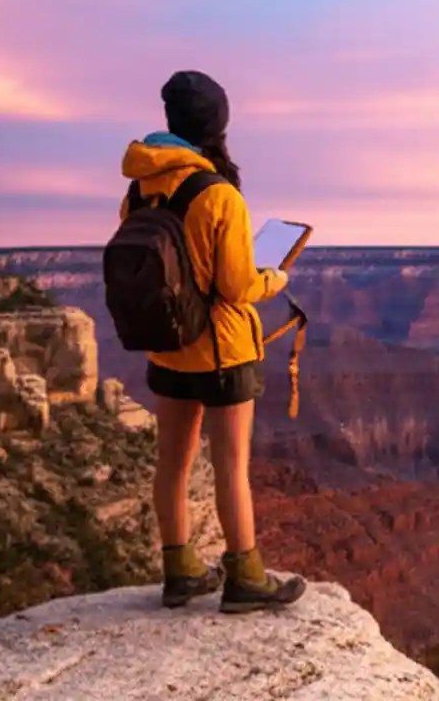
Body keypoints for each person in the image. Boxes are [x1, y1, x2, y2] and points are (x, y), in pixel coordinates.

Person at [118, 70, 306, 613]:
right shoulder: (217, 194)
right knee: (230, 466)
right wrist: (275, 278)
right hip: (222, 352)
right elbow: (235, 286)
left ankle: (180, 570)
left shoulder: (140, 189)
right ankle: (245, 576)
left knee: (172, 465)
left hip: (167, 344)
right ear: (217, 126)